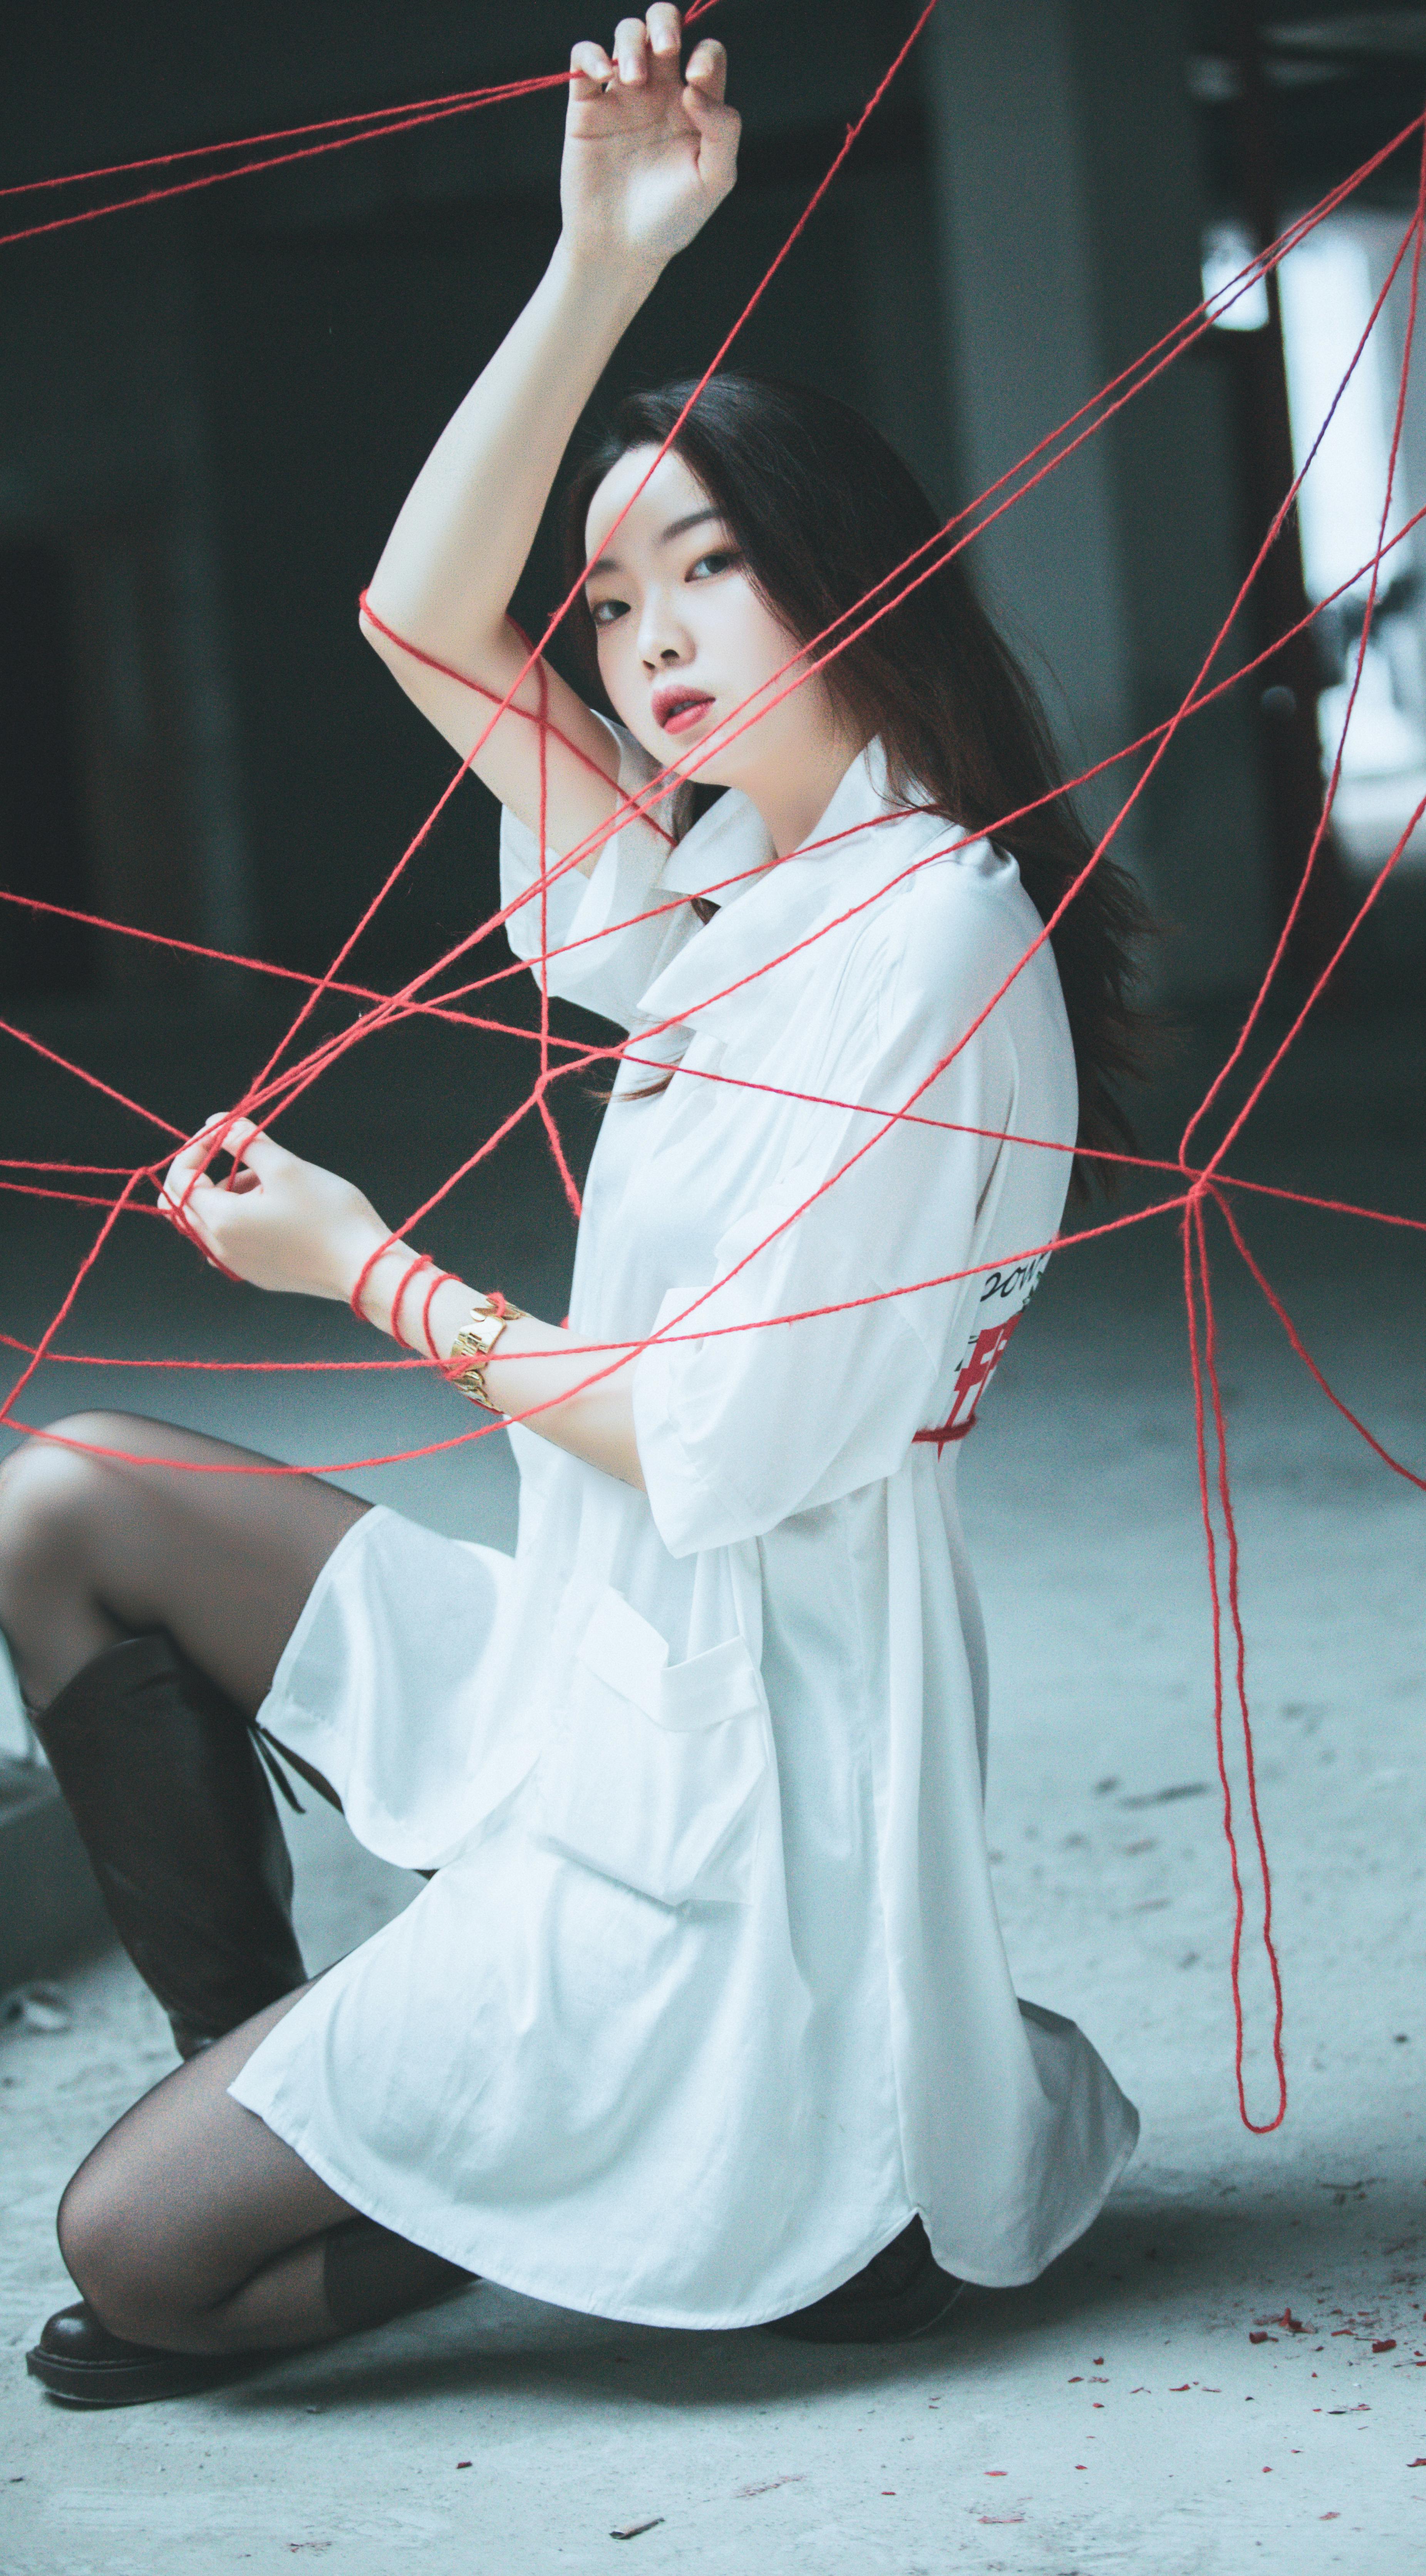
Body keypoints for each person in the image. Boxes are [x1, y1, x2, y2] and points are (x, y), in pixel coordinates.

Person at [0, 8, 1147, 2409]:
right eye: (620, 609)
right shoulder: (726, 879)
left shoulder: (929, 929)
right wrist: (599, 252)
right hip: (582, 1683)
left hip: (743, 1789)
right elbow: (424, 615)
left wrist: (369, 1276)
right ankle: (344, 2079)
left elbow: (715, 1434)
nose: (646, 646)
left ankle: (567, 2161)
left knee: (142, 2269)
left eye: (708, 572)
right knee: (63, 1506)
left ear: (854, 579)